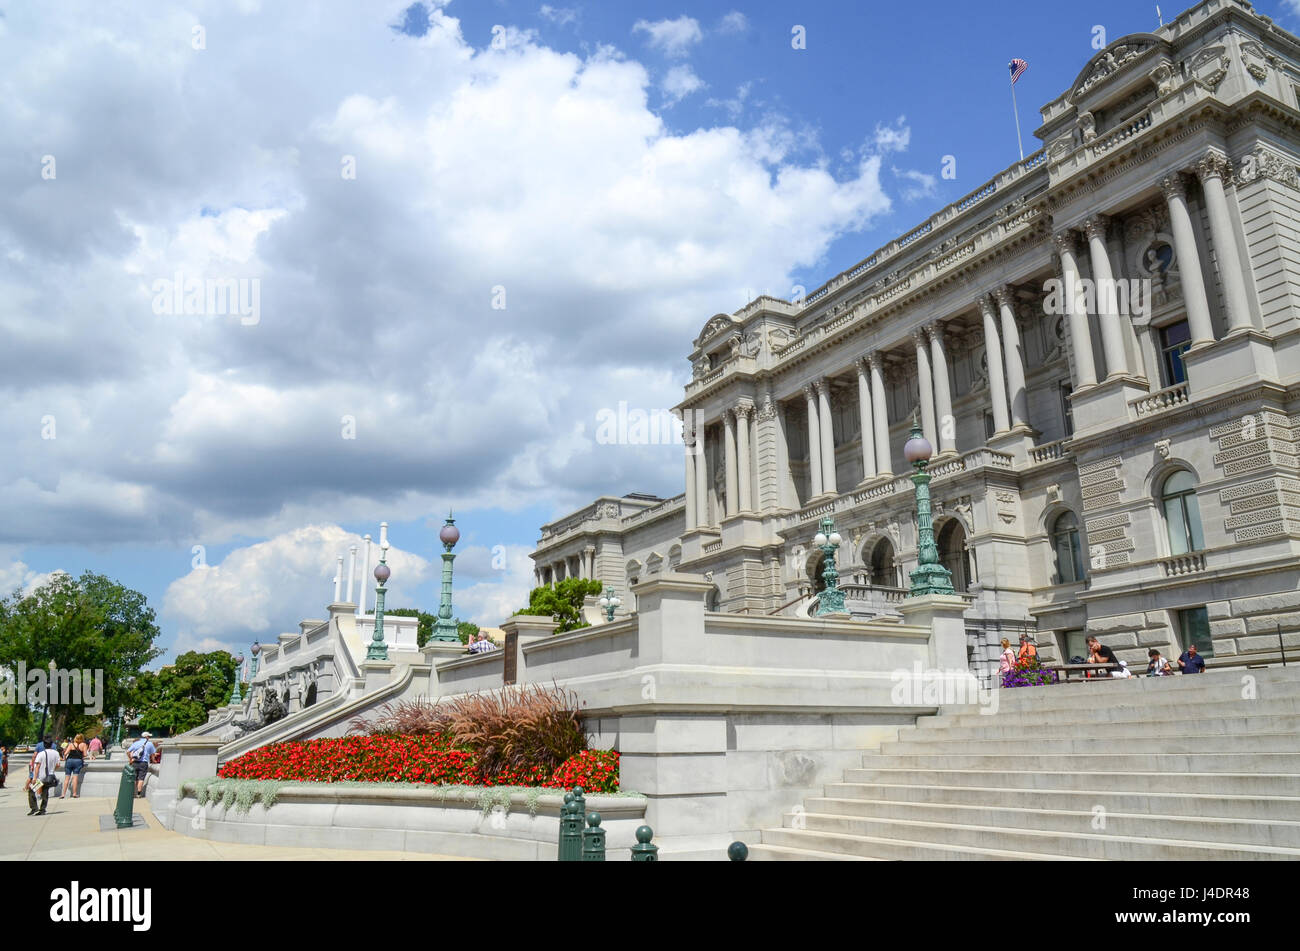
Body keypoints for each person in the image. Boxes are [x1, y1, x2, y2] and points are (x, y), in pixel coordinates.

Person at [27, 736, 60, 816]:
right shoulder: (56, 753)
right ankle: (43, 809)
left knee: (31, 790)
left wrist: (34, 778)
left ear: (44, 745)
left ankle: (34, 808)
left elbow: (37, 767)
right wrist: (52, 770)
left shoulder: (41, 754)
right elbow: (58, 765)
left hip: (41, 777)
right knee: (45, 792)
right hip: (50, 776)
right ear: (51, 744)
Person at [127, 732, 157, 798]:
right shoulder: (150, 744)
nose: (149, 738)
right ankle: (138, 794)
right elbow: (152, 754)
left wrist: (130, 759)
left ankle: (132, 793)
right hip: (144, 763)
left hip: (135, 762)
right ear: (146, 737)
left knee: (134, 778)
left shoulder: (136, 743)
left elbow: (128, 751)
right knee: (141, 778)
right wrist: (154, 761)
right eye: (149, 736)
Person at [61, 733, 89, 799]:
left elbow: (65, 753)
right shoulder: (84, 745)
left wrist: (64, 757)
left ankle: (63, 794)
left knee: (67, 778)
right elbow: (85, 755)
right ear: (82, 738)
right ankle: (74, 793)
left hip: (69, 761)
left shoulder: (71, 744)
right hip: (78, 761)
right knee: (75, 777)